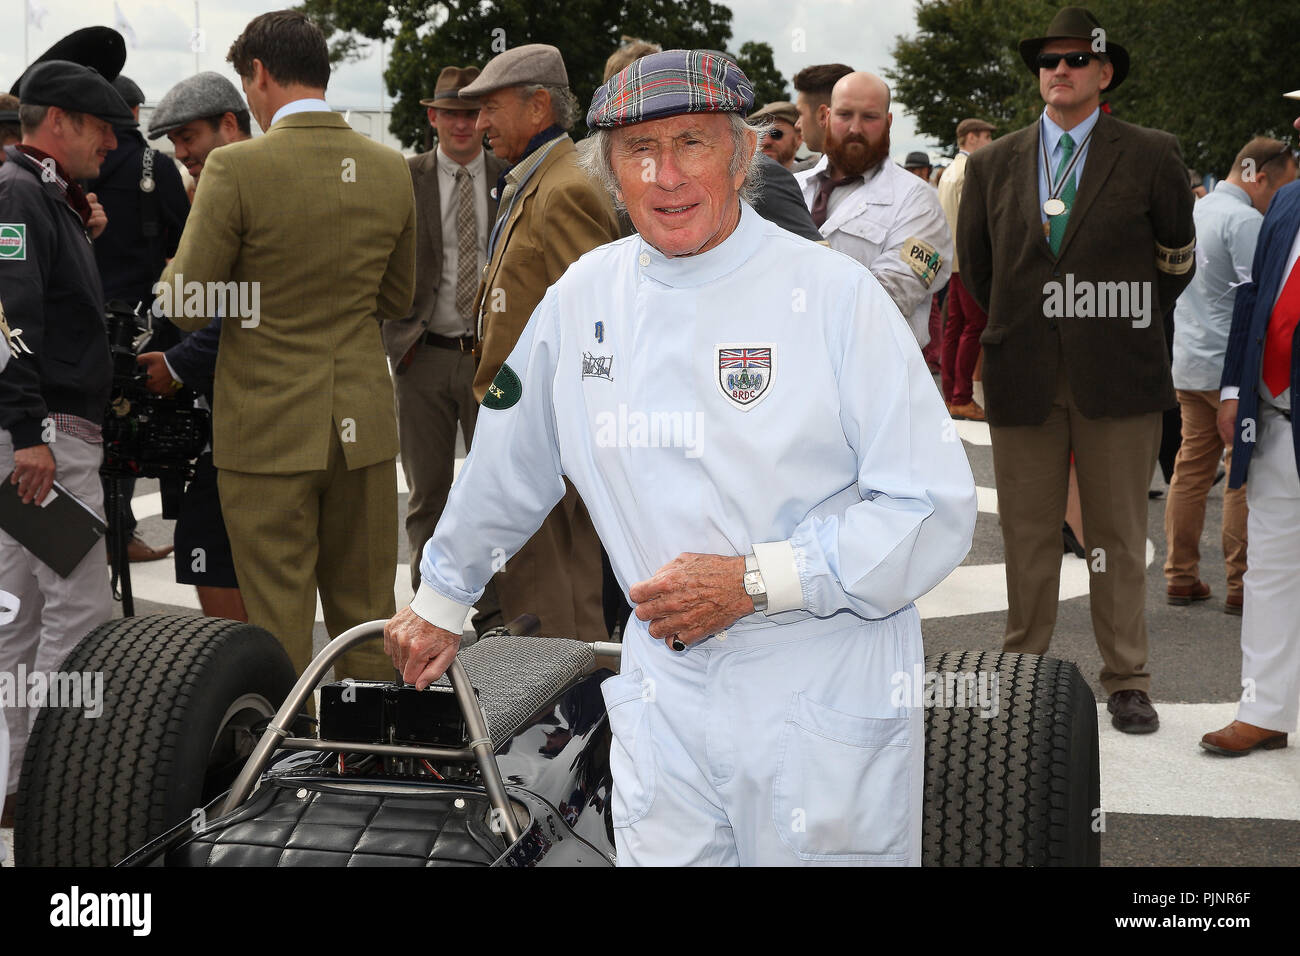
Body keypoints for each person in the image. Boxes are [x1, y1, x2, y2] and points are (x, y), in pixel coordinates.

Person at [384, 48, 976, 867]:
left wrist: (756, 580)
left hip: (820, 684)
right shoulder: (584, 297)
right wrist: (442, 599)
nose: (666, 176)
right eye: (639, 152)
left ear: (741, 156)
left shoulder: (836, 299)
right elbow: (509, 463)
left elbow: (931, 509)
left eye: (692, 144)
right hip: (664, 690)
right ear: (609, 172)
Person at [957, 6, 1196, 733]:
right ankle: (1023, 668)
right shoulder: (993, 162)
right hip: (1023, 369)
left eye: (1073, 60)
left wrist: (1112, 319)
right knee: (1027, 533)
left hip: (1118, 374)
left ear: (1103, 72)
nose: (1058, 71)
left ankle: (1127, 678)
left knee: (1117, 537)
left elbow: (1175, 261)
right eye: (1047, 61)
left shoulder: (1153, 153)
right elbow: (977, 271)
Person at [159, 11, 415, 679]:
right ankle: (367, 761)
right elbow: (398, 300)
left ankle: (287, 762)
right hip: (361, 424)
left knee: (278, 618)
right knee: (367, 613)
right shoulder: (390, 169)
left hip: (268, 428)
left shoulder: (236, 169)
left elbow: (186, 307)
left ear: (261, 74)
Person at [0, 60, 131, 826]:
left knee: (17, 613)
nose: (111, 143)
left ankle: (19, 783)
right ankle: (55, 786)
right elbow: (7, 321)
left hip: (35, 432)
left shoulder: (36, 193)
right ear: (60, 123)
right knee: (77, 610)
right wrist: (29, 434)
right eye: (101, 126)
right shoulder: (20, 193)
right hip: (45, 435)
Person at [459, 44, 620, 642]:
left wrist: (561, 435)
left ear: (539, 105)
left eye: (489, 109)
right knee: (530, 590)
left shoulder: (565, 187)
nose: (479, 125)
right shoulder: (541, 180)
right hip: (523, 427)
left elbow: (596, 329)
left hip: (544, 435)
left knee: (557, 604)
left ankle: (574, 729)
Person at [382, 66, 505, 599]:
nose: (461, 124)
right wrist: (395, 342)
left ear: (484, 118)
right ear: (432, 117)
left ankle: (499, 618)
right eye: (450, 113)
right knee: (427, 494)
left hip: (492, 357)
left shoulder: (511, 175)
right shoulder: (402, 178)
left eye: (471, 113)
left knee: (497, 492)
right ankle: (428, 608)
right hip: (423, 355)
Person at [139, 70, 257, 622]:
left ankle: (250, 680)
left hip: (254, 411)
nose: (181, 153)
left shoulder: (247, 186)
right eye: (176, 143)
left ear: (228, 124)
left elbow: (248, 307)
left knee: (209, 545)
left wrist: (176, 363)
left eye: (189, 137)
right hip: (227, 409)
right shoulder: (211, 186)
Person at [1207, 89, 1300, 756]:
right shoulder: (1289, 200)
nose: (1297, 124)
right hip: (1272, 419)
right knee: (1269, 568)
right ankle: (1265, 709)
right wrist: (1236, 387)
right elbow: (1255, 299)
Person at [1168, 137, 1295, 615]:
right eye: (1280, 187)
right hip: (1229, 370)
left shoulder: (1195, 210)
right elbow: (1256, 302)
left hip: (1188, 358)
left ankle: (1180, 575)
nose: (1280, 200)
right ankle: (1240, 582)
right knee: (1240, 472)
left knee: (1190, 472)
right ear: (1257, 174)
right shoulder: (1245, 220)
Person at [90, 73, 189, 564]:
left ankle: (87, 533)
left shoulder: (76, 166)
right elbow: (186, 242)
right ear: (134, 112)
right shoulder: (155, 164)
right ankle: (119, 531)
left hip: (75, 313)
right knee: (126, 427)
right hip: (138, 317)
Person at [795, 72, 953, 350]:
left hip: (875, 374)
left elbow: (890, 294)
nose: (856, 128)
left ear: (888, 123)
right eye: (845, 115)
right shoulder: (792, 189)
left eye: (869, 117)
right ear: (826, 116)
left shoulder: (919, 201)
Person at [937, 117, 996, 420]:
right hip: (970, 263)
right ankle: (960, 396)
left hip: (953, 262)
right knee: (973, 328)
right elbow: (977, 222)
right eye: (986, 136)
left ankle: (951, 394)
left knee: (955, 329)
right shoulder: (971, 170)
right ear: (972, 138)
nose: (989, 142)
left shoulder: (949, 171)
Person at [790, 63, 853, 173]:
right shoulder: (798, 177)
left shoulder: (795, 181)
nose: (797, 125)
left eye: (801, 113)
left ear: (823, 116)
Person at [749, 101, 802, 169]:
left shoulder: (812, 178)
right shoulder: (739, 177)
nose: (765, 142)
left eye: (776, 134)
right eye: (760, 135)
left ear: (799, 138)